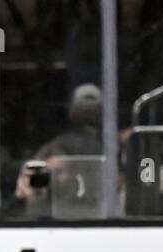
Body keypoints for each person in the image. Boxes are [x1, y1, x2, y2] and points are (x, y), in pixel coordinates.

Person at [10, 83, 105, 218]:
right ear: (72, 112)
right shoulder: (52, 148)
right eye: (82, 110)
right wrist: (24, 193)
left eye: (93, 110)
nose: (88, 116)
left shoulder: (114, 148)